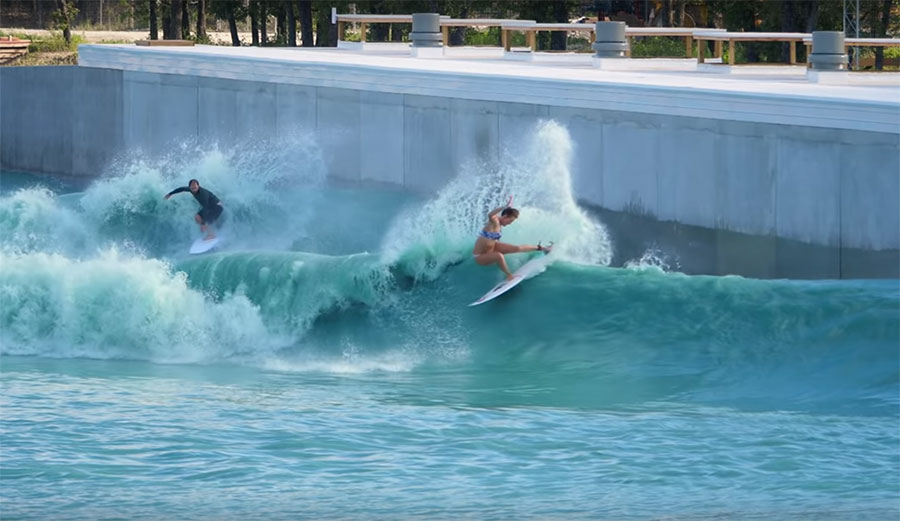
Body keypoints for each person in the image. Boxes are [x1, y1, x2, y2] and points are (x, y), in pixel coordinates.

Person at [472, 196, 551, 280]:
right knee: (499, 256)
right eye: (510, 221)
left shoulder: (500, 225)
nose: (510, 223)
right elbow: (491, 214)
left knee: (517, 248)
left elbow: (493, 239)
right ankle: (509, 276)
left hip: (492, 249)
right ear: (505, 216)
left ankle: (543, 248)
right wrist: (504, 207)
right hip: (480, 256)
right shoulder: (494, 221)